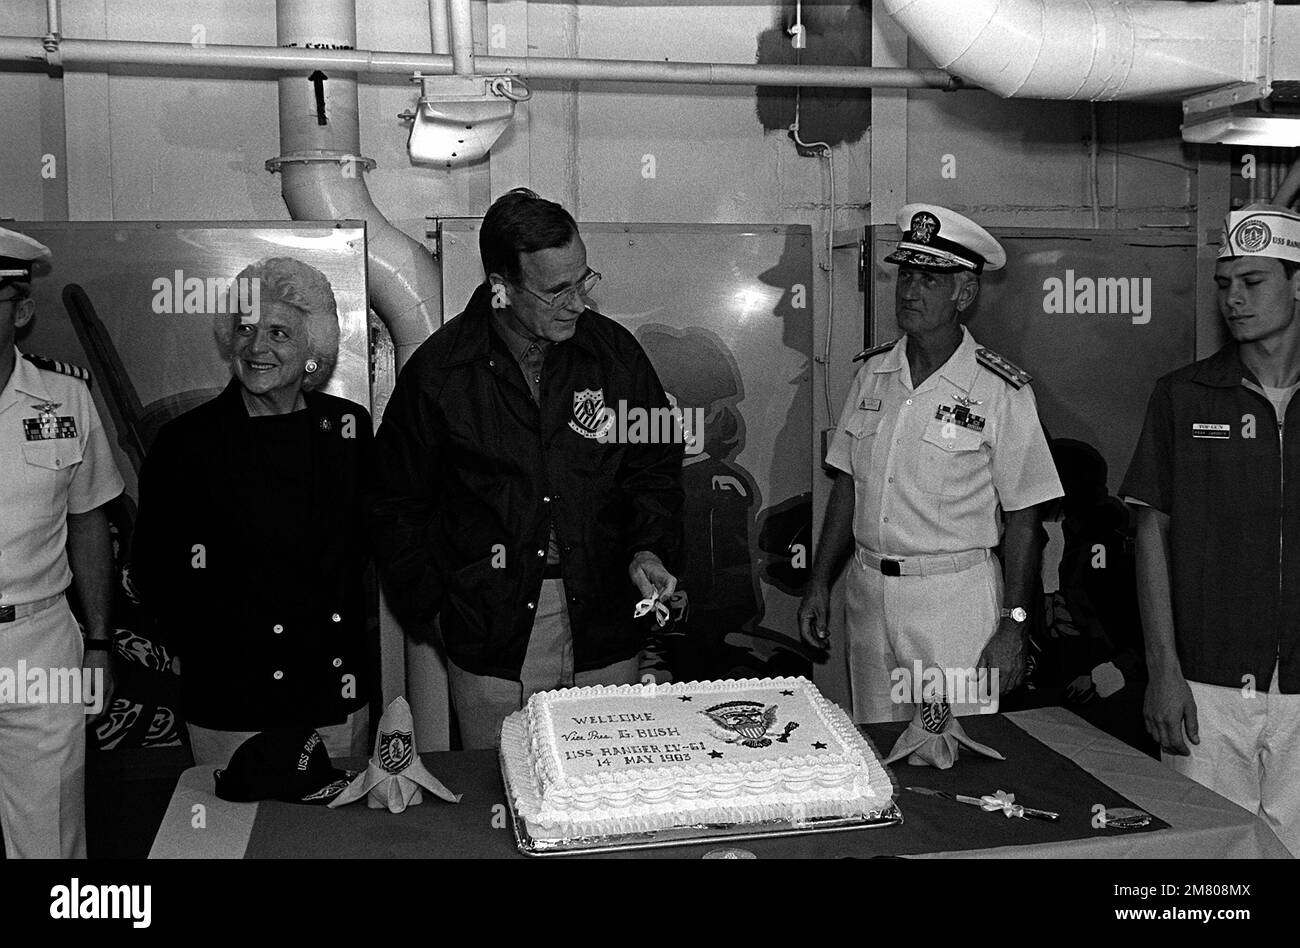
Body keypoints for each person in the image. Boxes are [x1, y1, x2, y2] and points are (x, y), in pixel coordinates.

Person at [370, 188, 685, 750]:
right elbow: (396, 505)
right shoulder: (441, 374)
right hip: (494, 630)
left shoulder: (614, 356)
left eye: (583, 280)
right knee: (505, 793)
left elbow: (654, 467)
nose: (577, 304)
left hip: (605, 617)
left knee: (607, 790)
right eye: (556, 290)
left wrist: (648, 547)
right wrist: (439, 614)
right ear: (502, 287)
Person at [798, 204, 1063, 722]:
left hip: (953, 601)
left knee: (954, 754)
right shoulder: (873, 374)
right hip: (869, 592)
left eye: (930, 279)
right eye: (906, 274)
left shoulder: (999, 391)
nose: (910, 290)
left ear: (965, 294)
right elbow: (847, 487)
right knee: (881, 752)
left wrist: (1014, 622)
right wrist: (818, 582)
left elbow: (1024, 517)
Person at [130, 256, 373, 767]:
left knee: (335, 841)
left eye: (279, 333)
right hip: (231, 699)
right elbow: (154, 571)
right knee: (234, 840)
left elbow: (367, 547)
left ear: (314, 347)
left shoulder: (348, 429)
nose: (257, 347)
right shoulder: (186, 443)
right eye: (245, 330)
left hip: (332, 692)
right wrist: (204, 646)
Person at [1122, 203, 1300, 855]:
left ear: (1299, 283)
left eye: (1253, 283)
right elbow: (1150, 535)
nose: (1234, 299)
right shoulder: (1184, 396)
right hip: (1204, 688)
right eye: (1225, 284)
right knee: (1206, 867)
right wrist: (1163, 669)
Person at [0, 227, 123, 858]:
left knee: (50, 837)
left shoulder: (64, 399)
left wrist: (99, 641)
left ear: (20, 310)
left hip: (39, 644)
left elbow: (89, 522)